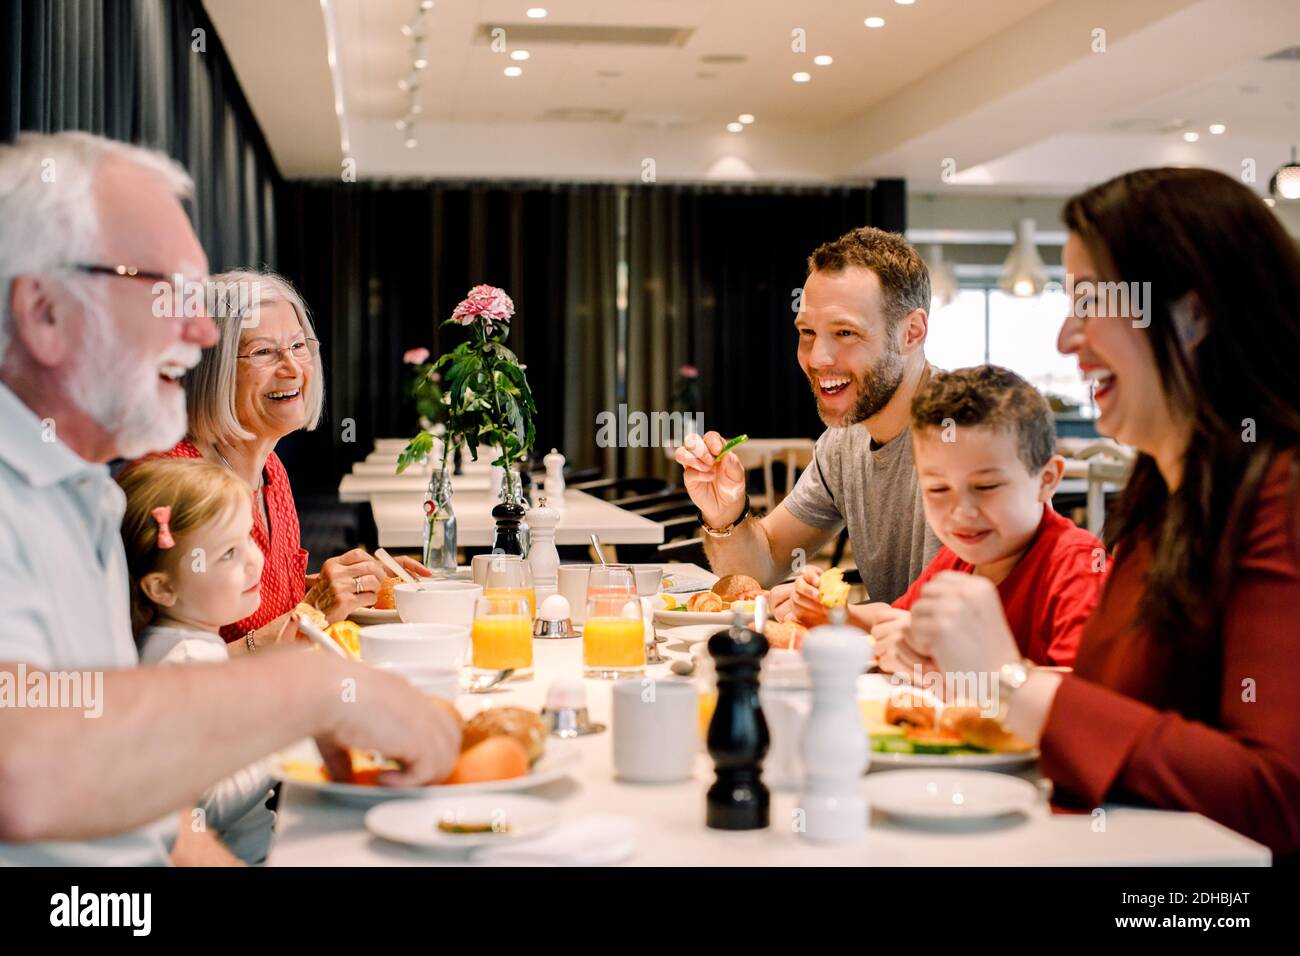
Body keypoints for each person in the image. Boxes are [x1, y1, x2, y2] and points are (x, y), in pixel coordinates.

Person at [0, 131, 461, 865]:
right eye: (166, 292)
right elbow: (22, 765)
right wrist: (312, 688)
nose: (203, 331)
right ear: (45, 313)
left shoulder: (79, 491)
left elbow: (160, 809)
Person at [898, 167, 1300, 858]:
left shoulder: (1280, 495)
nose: (1064, 338)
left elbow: (1275, 798)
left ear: (1194, 314)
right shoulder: (1162, 494)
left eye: (1090, 301)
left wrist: (1010, 682)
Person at [147, 269, 427, 647]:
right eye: (264, 352)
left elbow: (260, 602)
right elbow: (174, 673)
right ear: (211, 369)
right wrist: (311, 612)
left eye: (298, 346)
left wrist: (359, 583)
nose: (293, 368)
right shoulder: (176, 483)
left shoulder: (271, 470)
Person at [675, 227, 941, 613]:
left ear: (911, 333)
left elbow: (970, 619)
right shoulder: (844, 442)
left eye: (845, 332)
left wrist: (841, 615)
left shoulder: (966, 431)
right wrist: (725, 513)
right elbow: (761, 567)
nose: (817, 358)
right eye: (808, 332)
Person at [860, 365, 1105, 673]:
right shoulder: (956, 560)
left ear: (1046, 480)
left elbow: (1087, 695)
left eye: (986, 487)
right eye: (937, 488)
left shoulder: (1076, 565)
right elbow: (899, 620)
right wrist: (834, 615)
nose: (962, 512)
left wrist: (959, 671)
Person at [119, 458, 281, 863]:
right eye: (228, 553)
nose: (254, 560)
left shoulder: (179, 646)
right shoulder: (187, 663)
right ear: (162, 588)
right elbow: (203, 806)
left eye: (248, 537)